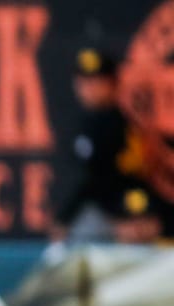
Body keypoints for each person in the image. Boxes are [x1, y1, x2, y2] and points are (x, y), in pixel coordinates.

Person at [50, 47, 143, 243]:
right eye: (83, 82)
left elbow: (100, 178)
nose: (88, 88)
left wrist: (65, 217)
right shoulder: (90, 122)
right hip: (107, 210)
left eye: (96, 82)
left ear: (112, 83)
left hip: (116, 213)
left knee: (76, 247)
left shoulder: (113, 124)